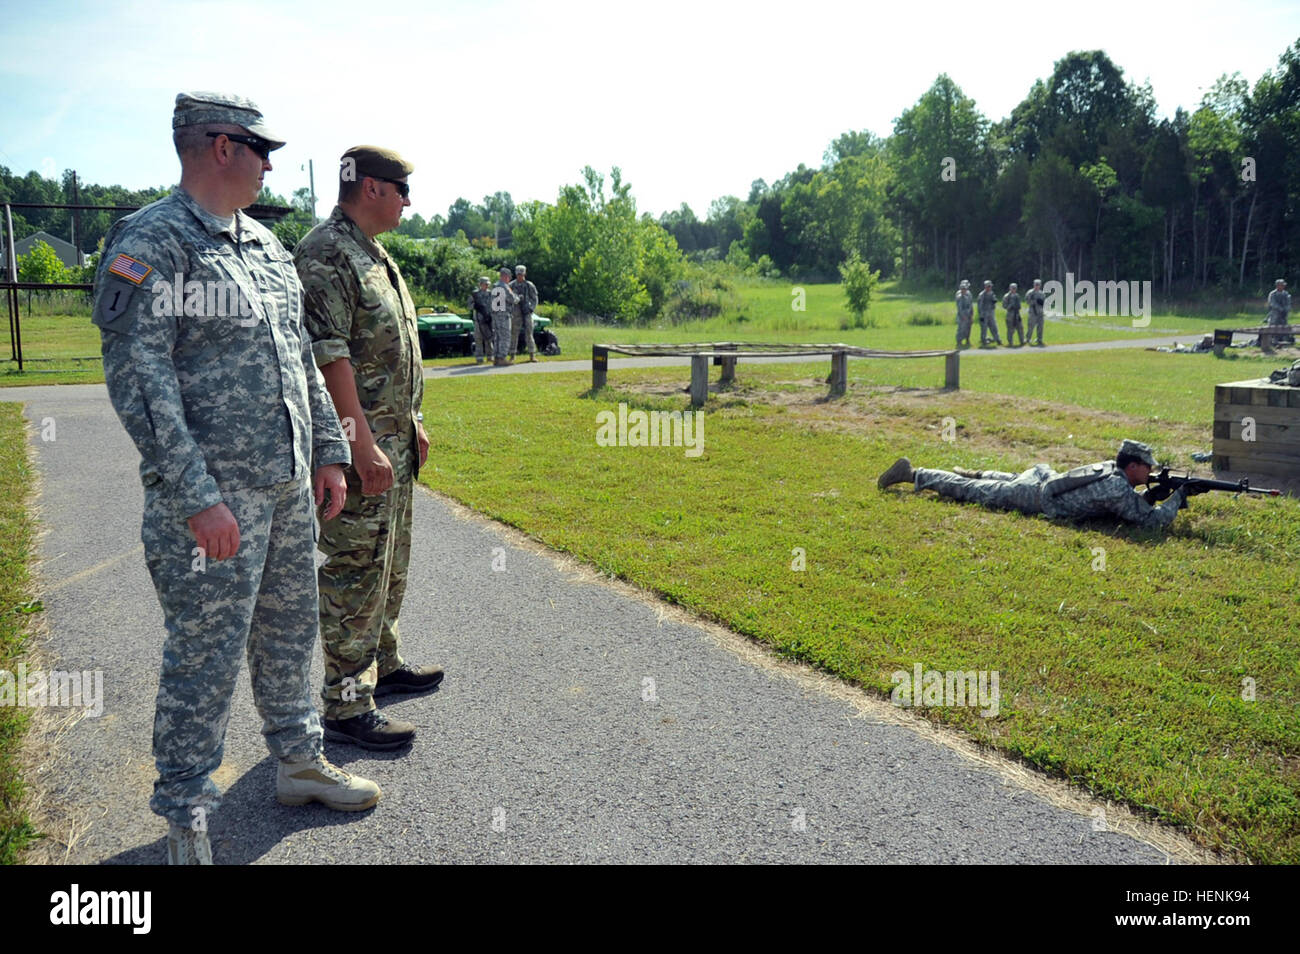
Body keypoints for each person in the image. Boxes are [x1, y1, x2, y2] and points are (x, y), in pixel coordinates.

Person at [91, 91, 379, 865]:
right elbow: (140, 379)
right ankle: (186, 811)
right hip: (213, 506)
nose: (269, 163)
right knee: (204, 655)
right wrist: (199, 498)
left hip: (286, 490)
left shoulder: (264, 246)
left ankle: (297, 761)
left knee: (292, 632)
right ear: (220, 146)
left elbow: (300, 354)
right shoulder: (154, 242)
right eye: (260, 148)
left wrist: (328, 449)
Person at [293, 146, 443, 752]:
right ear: (373, 189)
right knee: (356, 569)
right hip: (361, 451)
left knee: (390, 561)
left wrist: (413, 422)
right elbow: (328, 355)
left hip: (394, 445)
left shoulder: (373, 253)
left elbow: (390, 351)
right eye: (402, 190)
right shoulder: (326, 252)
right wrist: (358, 443)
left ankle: (383, 662)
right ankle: (347, 704)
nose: (409, 202)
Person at [877, 440, 1191, 529]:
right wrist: (1178, 496)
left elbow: (1132, 505)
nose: (1151, 470)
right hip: (1036, 496)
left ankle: (974, 472)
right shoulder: (1117, 489)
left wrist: (1155, 492)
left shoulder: (1111, 470)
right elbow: (1151, 521)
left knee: (998, 481)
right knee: (969, 492)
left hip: (1044, 477)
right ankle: (913, 473)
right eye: (1147, 466)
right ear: (1133, 466)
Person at [511, 264, 540, 362]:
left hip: (527, 311)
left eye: (521, 274)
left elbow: (535, 298)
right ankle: (512, 355)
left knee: (529, 333)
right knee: (514, 333)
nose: (520, 276)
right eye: (518, 274)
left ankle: (532, 355)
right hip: (516, 312)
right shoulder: (511, 285)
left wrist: (531, 308)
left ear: (525, 274)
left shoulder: (529, 285)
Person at [490, 266, 519, 365]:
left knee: (497, 337)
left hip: (495, 314)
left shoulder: (495, 286)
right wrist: (518, 298)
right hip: (504, 314)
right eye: (509, 277)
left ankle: (496, 358)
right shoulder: (505, 286)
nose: (509, 279)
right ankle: (502, 358)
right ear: (505, 276)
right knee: (505, 337)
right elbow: (511, 299)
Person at [469, 276, 494, 363]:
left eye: (487, 284)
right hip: (478, 321)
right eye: (484, 284)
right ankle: (479, 357)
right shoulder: (475, 294)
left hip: (488, 320)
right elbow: (469, 305)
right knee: (478, 339)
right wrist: (475, 306)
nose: (486, 286)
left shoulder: (491, 294)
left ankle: (490, 356)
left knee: (489, 339)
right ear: (480, 284)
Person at [1266, 279, 1292, 345]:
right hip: (1275, 313)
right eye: (1281, 285)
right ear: (1277, 286)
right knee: (1273, 325)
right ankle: (1272, 339)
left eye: (1283, 285)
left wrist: (1286, 309)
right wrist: (1280, 309)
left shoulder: (1286, 294)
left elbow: (1288, 303)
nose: (1283, 286)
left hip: (1284, 314)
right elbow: (1272, 303)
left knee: (1284, 325)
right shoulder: (1272, 294)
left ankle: (1285, 339)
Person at [977, 279, 1001, 347]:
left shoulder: (992, 293)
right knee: (984, 328)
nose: (989, 288)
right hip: (984, 314)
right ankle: (983, 340)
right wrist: (981, 315)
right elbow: (980, 306)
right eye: (988, 286)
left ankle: (997, 339)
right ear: (985, 287)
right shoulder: (982, 295)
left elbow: (994, 301)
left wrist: (994, 302)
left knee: (994, 327)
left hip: (991, 313)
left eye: (990, 286)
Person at [1024, 278, 1046, 346]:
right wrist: (1034, 301)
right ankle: (1028, 338)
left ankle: (1039, 339)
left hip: (1040, 312)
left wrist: (1041, 302)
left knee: (1040, 326)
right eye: (1036, 284)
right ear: (1034, 285)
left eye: (1038, 285)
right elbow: (1027, 301)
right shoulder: (1030, 293)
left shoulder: (1042, 293)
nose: (1037, 286)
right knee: (1031, 326)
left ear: (1040, 285)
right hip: (1033, 312)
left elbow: (1044, 303)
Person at [1001, 282, 1024, 347]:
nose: (1014, 289)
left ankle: (1022, 341)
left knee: (1020, 328)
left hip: (1017, 314)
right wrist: (1010, 306)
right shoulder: (1007, 296)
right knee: (1010, 329)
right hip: (1010, 315)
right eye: (1012, 288)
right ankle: (1010, 342)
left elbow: (1019, 305)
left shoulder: (1017, 296)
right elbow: (1004, 305)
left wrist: (1018, 307)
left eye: (1015, 288)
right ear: (1010, 288)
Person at [955, 280, 974, 349]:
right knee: (961, 329)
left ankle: (967, 340)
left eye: (965, 289)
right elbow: (959, 308)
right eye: (963, 289)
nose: (965, 290)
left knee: (968, 328)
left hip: (968, 315)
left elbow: (971, 305)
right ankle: (959, 341)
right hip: (962, 316)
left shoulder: (968, 295)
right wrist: (963, 316)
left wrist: (971, 315)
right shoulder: (959, 296)